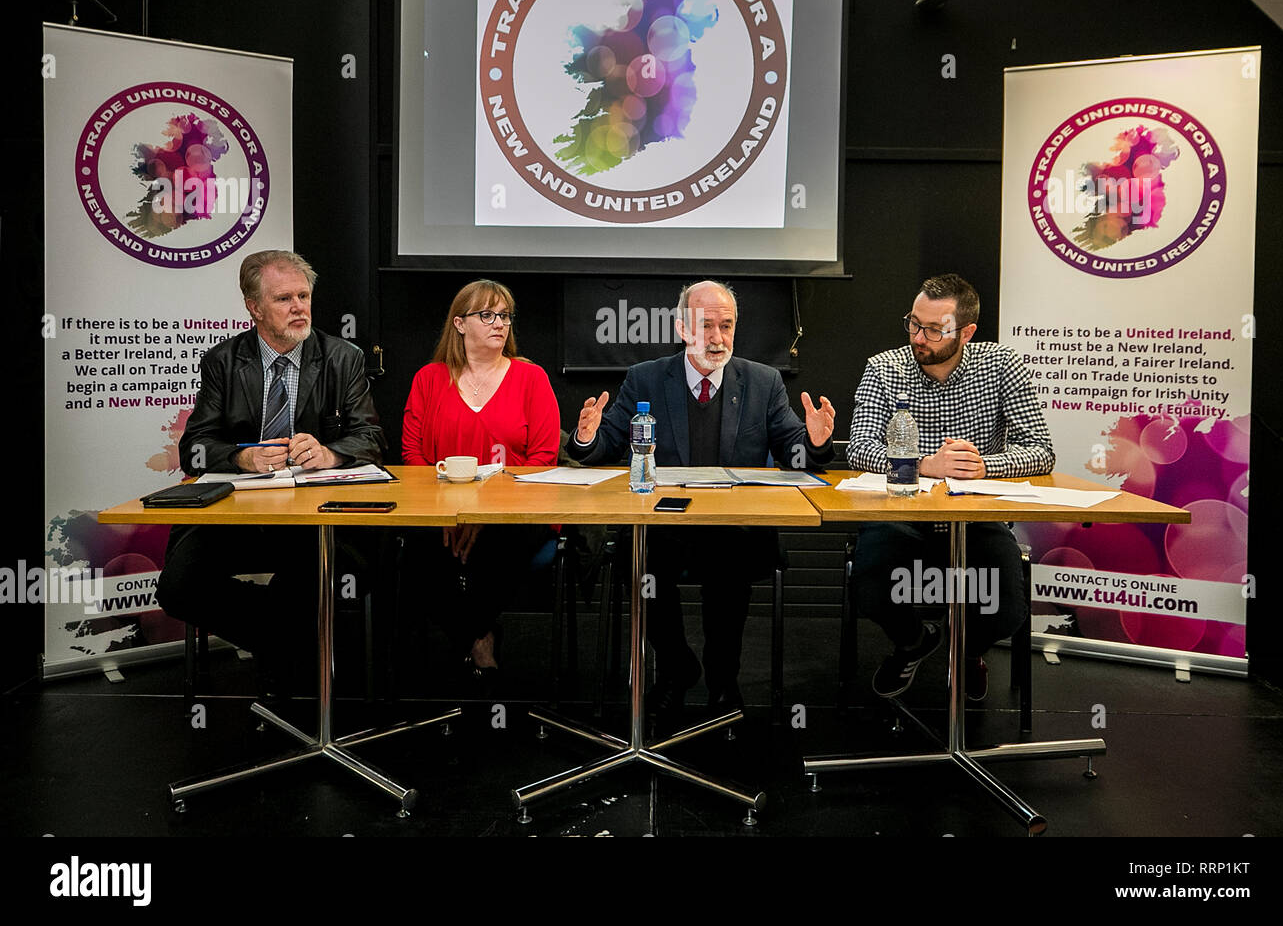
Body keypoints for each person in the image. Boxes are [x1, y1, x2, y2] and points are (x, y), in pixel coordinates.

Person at [568, 280, 836, 720]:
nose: (717, 337)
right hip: (664, 525)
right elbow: (605, 446)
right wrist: (585, 435)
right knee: (638, 565)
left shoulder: (762, 381)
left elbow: (795, 451)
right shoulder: (647, 378)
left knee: (730, 562)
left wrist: (814, 440)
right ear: (681, 328)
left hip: (732, 528)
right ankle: (676, 669)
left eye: (726, 326)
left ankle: (722, 679)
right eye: (706, 325)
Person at [154, 250, 387, 693]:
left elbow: (372, 439)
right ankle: (286, 645)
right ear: (254, 308)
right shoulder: (223, 361)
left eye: (304, 296)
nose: (299, 307)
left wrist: (330, 455)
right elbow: (194, 449)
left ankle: (288, 665)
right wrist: (242, 458)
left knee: (326, 575)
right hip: (239, 515)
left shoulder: (343, 358)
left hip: (314, 518)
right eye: (284, 299)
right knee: (179, 586)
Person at [847, 273, 1053, 701]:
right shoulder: (884, 367)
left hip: (976, 520)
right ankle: (914, 642)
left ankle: (968, 650)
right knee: (869, 587)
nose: (918, 337)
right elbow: (859, 449)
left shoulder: (1002, 365)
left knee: (1007, 608)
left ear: (967, 331)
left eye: (934, 329)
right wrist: (924, 465)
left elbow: (1041, 450)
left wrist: (984, 466)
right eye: (913, 323)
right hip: (900, 517)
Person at [401, 279, 560, 686]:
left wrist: (483, 512)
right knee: (418, 551)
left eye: (504, 316)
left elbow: (543, 460)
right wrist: (452, 512)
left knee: (497, 545)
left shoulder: (531, 378)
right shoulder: (429, 379)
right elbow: (413, 459)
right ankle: (479, 634)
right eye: (486, 315)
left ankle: (472, 639)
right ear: (459, 323)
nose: (499, 324)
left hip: (516, 512)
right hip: (439, 511)